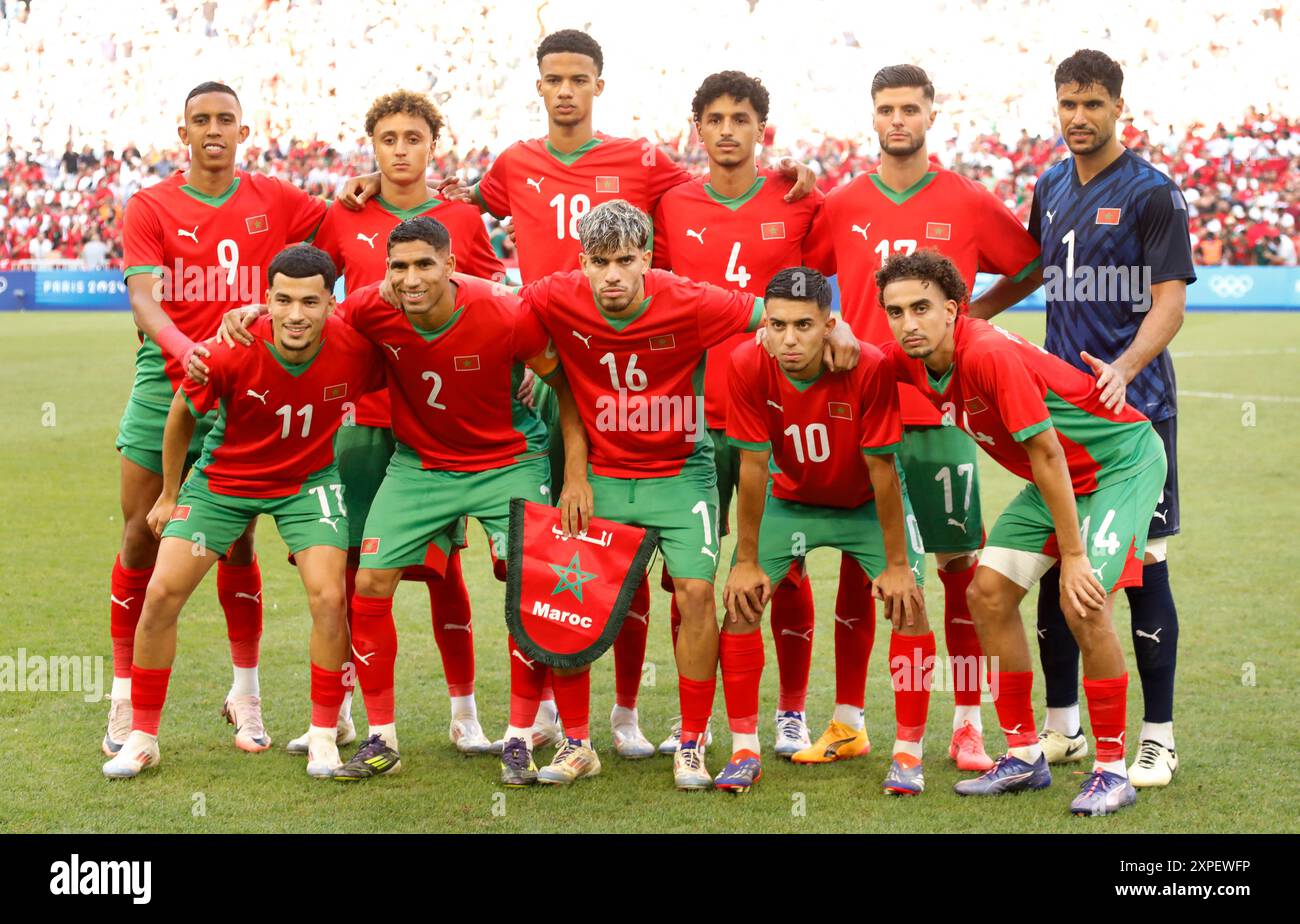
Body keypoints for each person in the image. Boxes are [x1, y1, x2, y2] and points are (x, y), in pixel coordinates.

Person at [516, 200, 859, 789]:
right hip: (598, 474)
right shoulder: (553, 294)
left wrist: (841, 325)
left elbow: (773, 313)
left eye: (626, 260)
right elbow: (485, 301)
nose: (613, 275)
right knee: (566, 597)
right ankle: (577, 743)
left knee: (697, 593)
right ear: (583, 263)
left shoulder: (691, 299)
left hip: (679, 474)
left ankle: (693, 742)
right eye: (600, 263)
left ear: (647, 257)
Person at [802, 64, 1042, 770]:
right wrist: (834, 322)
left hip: (943, 416)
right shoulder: (843, 203)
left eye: (910, 107)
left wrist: (972, 321)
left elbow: (1028, 265)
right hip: (862, 413)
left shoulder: (965, 200)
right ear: (872, 117)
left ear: (932, 113)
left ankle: (967, 722)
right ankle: (849, 720)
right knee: (860, 567)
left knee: (957, 569)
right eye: (886, 108)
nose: (898, 119)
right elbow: (809, 282)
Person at [879, 249, 1167, 816]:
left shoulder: (985, 353)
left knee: (1082, 603)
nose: (908, 323)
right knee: (985, 594)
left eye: (921, 308)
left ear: (954, 310)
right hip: (1059, 476)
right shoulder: (913, 355)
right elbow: (860, 357)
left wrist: (1074, 555)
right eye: (895, 312)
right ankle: (1023, 756)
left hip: (1116, 465)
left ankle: (1111, 769)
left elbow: (1048, 453)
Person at [979, 50, 1195, 787]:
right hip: (1061, 413)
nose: (1078, 117)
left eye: (1093, 104)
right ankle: (1063, 727)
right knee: (1055, 558)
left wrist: (1125, 369)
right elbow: (1038, 267)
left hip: (1137, 415)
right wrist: (969, 314)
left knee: (1141, 570)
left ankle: (1158, 737)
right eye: (1068, 103)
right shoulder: (1049, 183)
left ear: (1118, 108)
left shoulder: (1152, 194)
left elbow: (1170, 300)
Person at [102, 245, 382, 780]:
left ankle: (324, 736)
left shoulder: (357, 349)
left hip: (307, 483)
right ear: (266, 301)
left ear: (331, 304)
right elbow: (182, 411)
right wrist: (168, 494)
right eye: (283, 300)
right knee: (161, 594)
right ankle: (142, 737)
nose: (296, 314)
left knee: (329, 595)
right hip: (223, 483)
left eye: (310, 302)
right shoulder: (228, 348)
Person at [285, 90, 508, 756]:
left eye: (414, 137)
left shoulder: (461, 219)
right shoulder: (341, 215)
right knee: (347, 568)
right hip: (352, 420)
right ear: (373, 146)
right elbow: (316, 299)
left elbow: (497, 301)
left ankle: (464, 714)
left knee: (446, 574)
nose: (401, 149)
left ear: (433, 146)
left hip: (431, 425)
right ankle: (343, 710)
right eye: (389, 138)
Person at [108, 81, 327, 758]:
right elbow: (146, 302)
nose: (212, 129)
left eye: (224, 120)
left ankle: (247, 694)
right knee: (142, 539)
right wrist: (189, 353)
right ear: (183, 133)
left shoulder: (278, 200)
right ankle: (123, 701)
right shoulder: (149, 206)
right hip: (166, 385)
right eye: (199, 119)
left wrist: (366, 185)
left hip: (248, 391)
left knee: (236, 543)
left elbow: (343, 228)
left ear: (243, 131)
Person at [651, 70, 823, 757]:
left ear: (762, 129)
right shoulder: (671, 204)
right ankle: (691, 717)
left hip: (774, 415)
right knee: (688, 571)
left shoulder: (802, 199)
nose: (727, 129)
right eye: (714, 118)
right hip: (689, 413)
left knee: (788, 566)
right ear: (698, 128)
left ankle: (791, 712)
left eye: (741, 118)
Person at [722, 267, 927, 794]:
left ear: (830, 324)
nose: (789, 339)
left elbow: (882, 470)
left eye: (804, 326)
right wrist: (745, 560)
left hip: (862, 503)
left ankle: (908, 753)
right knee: (741, 602)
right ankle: (744, 749)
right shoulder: (745, 362)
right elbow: (750, 465)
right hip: (790, 502)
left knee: (910, 604)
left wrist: (899, 567)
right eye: (777, 325)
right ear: (763, 325)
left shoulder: (870, 366)